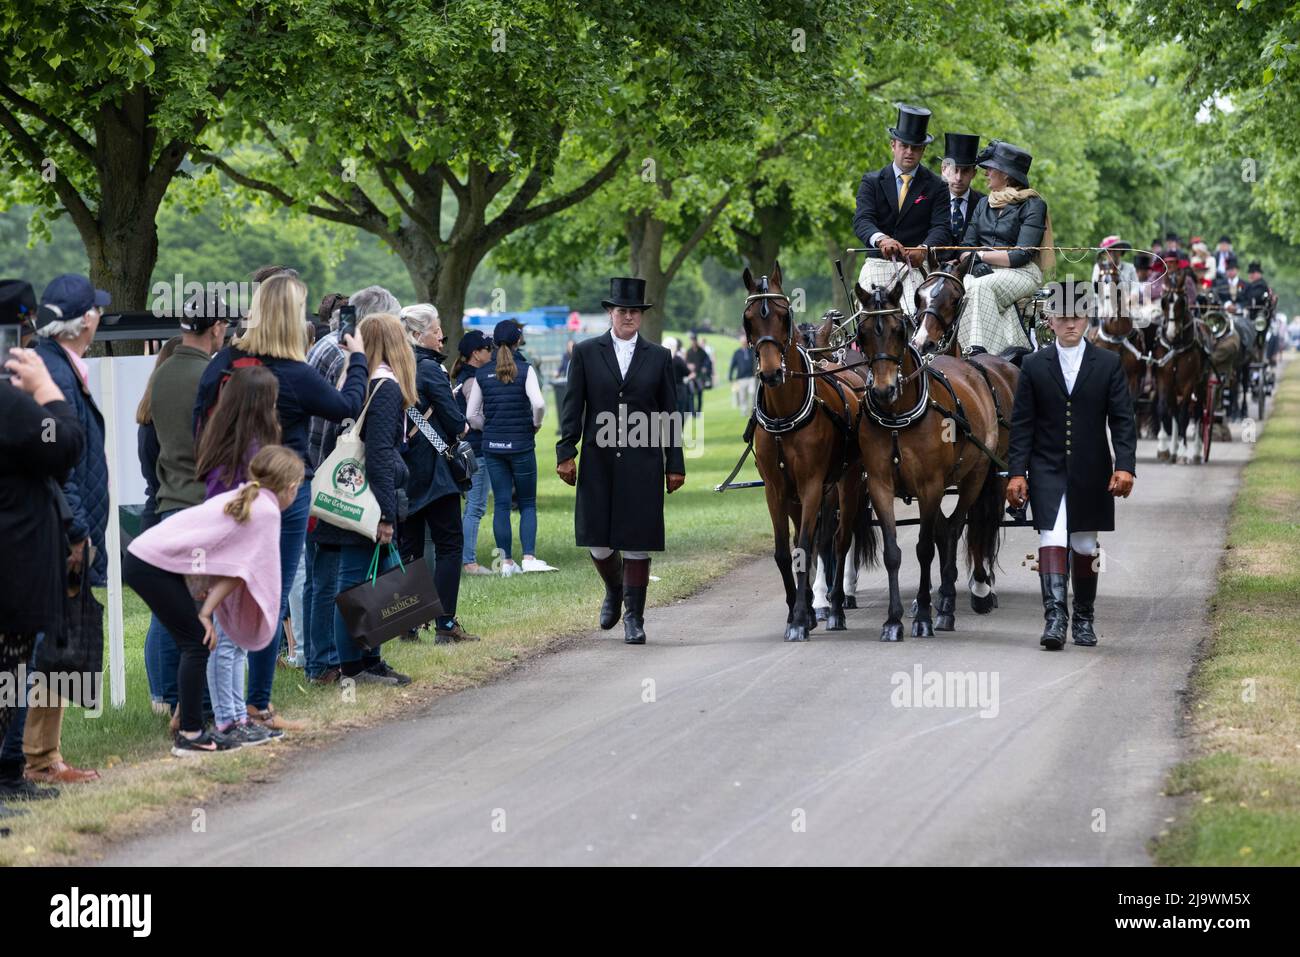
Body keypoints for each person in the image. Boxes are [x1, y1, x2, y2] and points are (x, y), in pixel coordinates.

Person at [195, 272, 369, 727]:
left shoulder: (227, 361)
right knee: (268, 594)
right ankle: (257, 702)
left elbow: (201, 417)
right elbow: (346, 405)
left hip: (229, 489)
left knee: (226, 590)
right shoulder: (293, 373)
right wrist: (358, 359)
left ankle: (210, 704)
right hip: (284, 491)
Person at [126, 446, 304, 755]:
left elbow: (238, 571)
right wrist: (205, 613)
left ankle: (219, 725)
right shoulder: (267, 511)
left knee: (201, 639)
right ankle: (192, 735)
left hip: (149, 559)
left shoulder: (254, 498)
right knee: (197, 641)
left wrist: (206, 610)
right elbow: (244, 572)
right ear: (290, 488)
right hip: (150, 563)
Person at [1006, 287, 1137, 650]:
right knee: (1051, 536)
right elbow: (1022, 424)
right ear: (1050, 321)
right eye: (1062, 318)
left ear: (1087, 319)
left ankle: (1083, 618)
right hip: (1046, 466)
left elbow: (1123, 421)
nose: (1069, 324)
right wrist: (1017, 472)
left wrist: (1125, 466)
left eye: (1076, 317)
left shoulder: (1108, 363)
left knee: (1083, 543)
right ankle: (1054, 618)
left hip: (1091, 468)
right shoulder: (1033, 365)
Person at [556, 277, 686, 644]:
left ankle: (634, 617)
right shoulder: (584, 352)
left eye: (634, 311)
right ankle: (614, 588)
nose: (628, 316)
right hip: (599, 458)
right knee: (597, 539)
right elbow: (572, 407)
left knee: (636, 539)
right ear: (610, 313)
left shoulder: (660, 357)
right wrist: (566, 451)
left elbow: (669, 412)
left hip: (643, 460)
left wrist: (674, 463)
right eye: (622, 310)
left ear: (641, 316)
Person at [23, 274, 111, 786]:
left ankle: (40, 753)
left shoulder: (57, 366)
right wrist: (77, 531)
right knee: (52, 645)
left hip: (63, 525)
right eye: (95, 310)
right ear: (85, 321)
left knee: (57, 641)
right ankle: (39, 758)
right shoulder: (53, 374)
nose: (99, 316)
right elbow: (62, 467)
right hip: (61, 530)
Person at [0, 339, 85, 809]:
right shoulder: (10, 403)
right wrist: (49, 391)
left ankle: (8, 773)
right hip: (14, 560)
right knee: (9, 670)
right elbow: (64, 443)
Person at [315, 312, 415, 685]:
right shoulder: (385, 388)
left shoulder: (353, 382)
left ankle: (370, 660)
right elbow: (379, 457)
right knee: (358, 585)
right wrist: (386, 515)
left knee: (365, 582)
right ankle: (356, 669)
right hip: (367, 502)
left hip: (345, 495)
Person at [147, 291, 231, 733]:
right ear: (216, 327)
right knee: (201, 611)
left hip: (169, 501)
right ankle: (195, 708)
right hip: (201, 503)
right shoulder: (211, 376)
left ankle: (169, 697)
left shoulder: (161, 374)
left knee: (171, 610)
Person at [194, 366, 285, 746]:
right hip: (233, 550)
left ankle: (235, 716)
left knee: (236, 639)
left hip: (233, 548)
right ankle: (229, 720)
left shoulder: (226, 440)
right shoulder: (247, 450)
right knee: (230, 640)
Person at [397, 303, 479, 643]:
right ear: (419, 335)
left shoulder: (394, 366)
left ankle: (409, 625)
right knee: (449, 545)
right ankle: (445, 625)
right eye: (435, 330)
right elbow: (456, 423)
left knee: (410, 549)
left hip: (403, 471)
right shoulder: (430, 370)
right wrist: (459, 425)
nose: (442, 335)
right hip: (435, 471)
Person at [465, 319, 556, 577]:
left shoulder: (482, 373)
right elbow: (538, 404)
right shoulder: (525, 370)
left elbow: (472, 415)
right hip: (522, 445)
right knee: (527, 503)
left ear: (494, 342)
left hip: (493, 446)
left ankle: (506, 563)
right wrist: (535, 425)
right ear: (518, 342)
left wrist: (489, 427)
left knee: (501, 505)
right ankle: (528, 557)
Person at [956, 140, 1055, 355]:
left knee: (980, 288)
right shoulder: (983, 204)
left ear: (1006, 174)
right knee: (959, 286)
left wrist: (980, 256)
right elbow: (965, 247)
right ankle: (1010, 352)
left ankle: (980, 354)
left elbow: (1020, 255)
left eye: (991, 168)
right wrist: (973, 265)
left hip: (1021, 273)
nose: (986, 173)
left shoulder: (1033, 205)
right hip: (981, 272)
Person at [852, 104, 952, 307]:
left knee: (912, 314)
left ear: (923, 150)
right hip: (878, 262)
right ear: (893, 145)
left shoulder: (937, 186)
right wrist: (881, 240)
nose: (909, 152)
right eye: (904, 146)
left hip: (915, 266)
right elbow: (862, 220)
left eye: (915, 148)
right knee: (872, 314)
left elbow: (941, 227)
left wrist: (924, 249)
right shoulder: (871, 181)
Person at [134, 336, 180, 714]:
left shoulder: (147, 417)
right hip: (168, 514)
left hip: (155, 513)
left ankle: (161, 694)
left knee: (162, 612)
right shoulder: (165, 421)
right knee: (169, 611)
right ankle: (166, 694)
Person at [450, 329, 494, 576]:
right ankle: (469, 563)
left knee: (472, 506)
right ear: (476, 354)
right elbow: (473, 417)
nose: (491, 352)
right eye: (488, 349)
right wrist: (497, 426)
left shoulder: (467, 376)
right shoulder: (473, 380)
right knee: (475, 507)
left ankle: (465, 559)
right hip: (476, 451)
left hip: (469, 450)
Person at [937, 132, 985, 263]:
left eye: (965, 171)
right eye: (954, 170)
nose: (958, 178)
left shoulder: (984, 204)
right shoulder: (931, 199)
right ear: (944, 169)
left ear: (973, 173)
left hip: (970, 269)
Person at [685, 333, 713, 418]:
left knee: (700, 394)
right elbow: (686, 363)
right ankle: (692, 412)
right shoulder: (689, 352)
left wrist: (705, 367)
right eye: (692, 341)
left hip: (700, 376)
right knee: (692, 394)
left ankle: (699, 412)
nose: (693, 342)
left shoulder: (701, 351)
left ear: (696, 341)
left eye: (694, 341)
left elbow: (708, 361)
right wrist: (689, 366)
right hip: (692, 376)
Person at [728, 331, 755, 410]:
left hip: (751, 377)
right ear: (740, 342)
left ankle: (753, 409)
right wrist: (730, 376)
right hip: (741, 378)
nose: (744, 343)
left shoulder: (752, 351)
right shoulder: (737, 353)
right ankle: (744, 411)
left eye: (745, 341)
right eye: (742, 342)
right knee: (742, 396)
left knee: (753, 393)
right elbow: (732, 365)